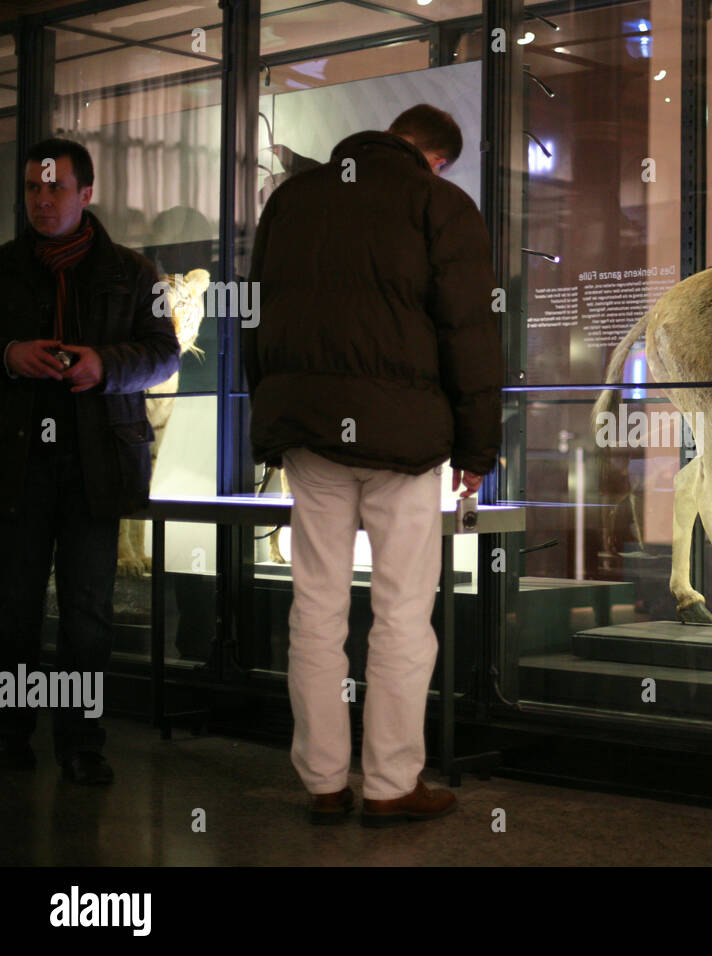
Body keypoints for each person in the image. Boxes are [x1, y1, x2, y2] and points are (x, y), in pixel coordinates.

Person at [244, 105, 503, 826]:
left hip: (309, 437)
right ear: (436, 160)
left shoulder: (292, 199)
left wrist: (271, 419)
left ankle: (324, 781)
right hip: (407, 443)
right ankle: (392, 784)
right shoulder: (440, 204)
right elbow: (470, 332)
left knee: (316, 611)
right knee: (400, 615)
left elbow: (255, 315)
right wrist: (478, 449)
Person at [0, 138, 181, 782]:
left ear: (86, 193)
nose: (42, 201)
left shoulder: (135, 272)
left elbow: (164, 352)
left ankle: (82, 743)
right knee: (13, 608)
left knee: (88, 611)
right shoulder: (3, 267)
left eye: (55, 189)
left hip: (95, 462)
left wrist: (107, 365)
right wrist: (10, 353)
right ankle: (12, 735)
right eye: (32, 189)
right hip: (18, 466)